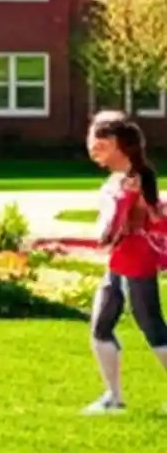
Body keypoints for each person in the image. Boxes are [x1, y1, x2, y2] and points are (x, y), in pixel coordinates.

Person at [83, 114, 167, 414]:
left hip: (134, 260)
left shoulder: (135, 179)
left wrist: (107, 232)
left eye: (99, 142)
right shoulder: (127, 178)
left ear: (118, 145)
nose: (92, 147)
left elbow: (123, 223)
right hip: (121, 261)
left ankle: (113, 398)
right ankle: (113, 398)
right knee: (101, 326)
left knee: (152, 327)